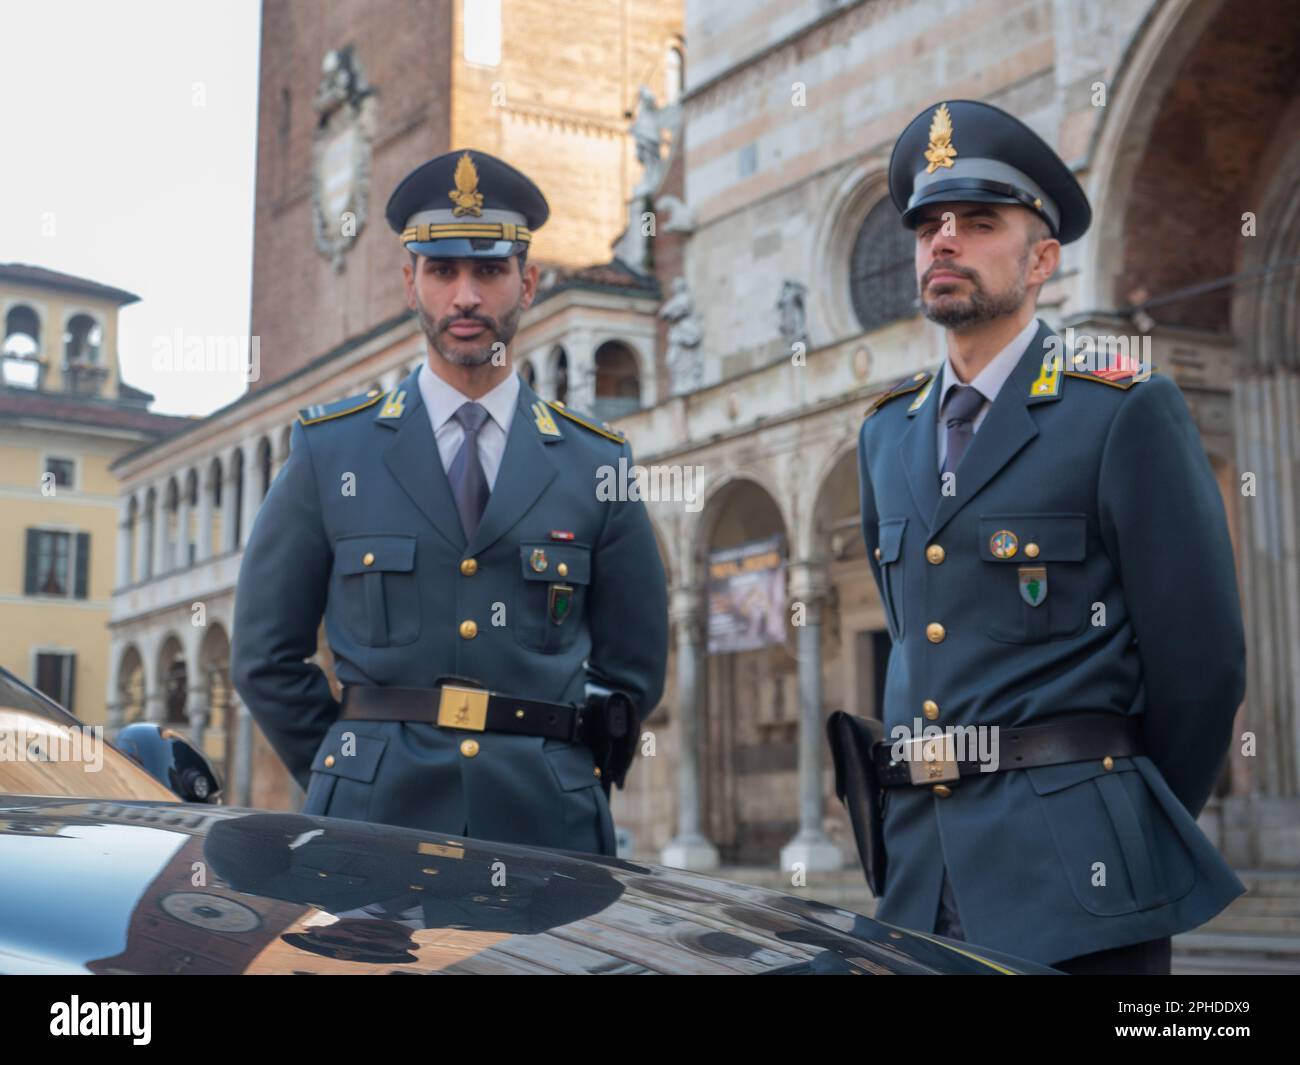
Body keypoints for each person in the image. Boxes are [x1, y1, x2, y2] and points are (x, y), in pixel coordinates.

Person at [853, 100, 1246, 973]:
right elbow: (919, 632)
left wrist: (1112, 808)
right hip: (922, 875)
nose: (942, 242)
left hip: (1081, 882)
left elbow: (1204, 665)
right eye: (927, 225)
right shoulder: (885, 435)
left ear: (1042, 260)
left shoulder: (1120, 408)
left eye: (978, 222)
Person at [231, 148, 668, 856]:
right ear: (411, 283)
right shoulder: (331, 453)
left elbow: (634, 667)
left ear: (527, 282)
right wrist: (352, 763)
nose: (466, 296)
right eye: (443, 271)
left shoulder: (596, 463)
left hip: (546, 830)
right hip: (372, 827)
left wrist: (571, 765)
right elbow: (263, 655)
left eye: (490, 271)